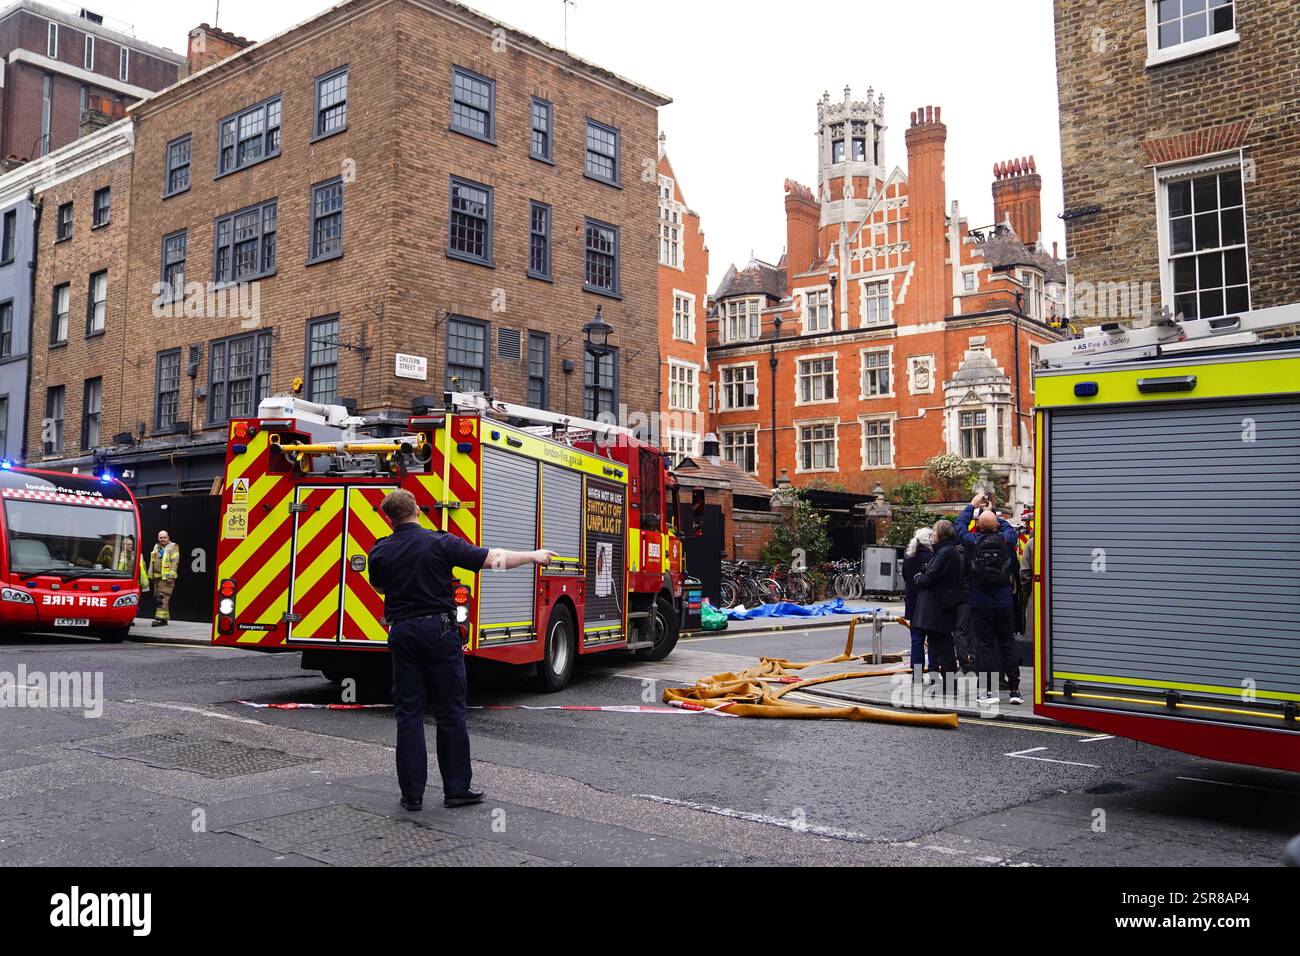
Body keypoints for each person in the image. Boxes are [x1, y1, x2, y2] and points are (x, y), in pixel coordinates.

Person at [368, 489, 556, 812]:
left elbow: (380, 587)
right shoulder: (441, 543)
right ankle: (456, 789)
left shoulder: (380, 551)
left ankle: (412, 794)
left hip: (402, 632)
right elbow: (491, 560)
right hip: (439, 633)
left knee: (408, 715)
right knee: (450, 710)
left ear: (389, 517)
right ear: (415, 509)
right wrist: (532, 555)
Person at [957, 494, 1022, 705]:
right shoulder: (1006, 540)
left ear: (978, 526)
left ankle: (987, 692)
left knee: (984, 647)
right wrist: (993, 512)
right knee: (1007, 645)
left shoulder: (972, 542)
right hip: (1004, 602)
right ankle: (1014, 691)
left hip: (980, 602)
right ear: (996, 525)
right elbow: (1009, 528)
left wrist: (972, 507)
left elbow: (959, 526)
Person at [910, 519, 964, 680]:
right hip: (938, 605)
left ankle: (949, 683)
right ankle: (945, 681)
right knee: (938, 643)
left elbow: (929, 577)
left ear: (942, 534)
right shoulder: (944, 550)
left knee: (943, 645)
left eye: (934, 531)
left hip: (938, 606)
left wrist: (919, 578)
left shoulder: (945, 552)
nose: (932, 534)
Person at [901, 527, 935, 678]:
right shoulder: (933, 557)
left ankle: (917, 673)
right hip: (929, 603)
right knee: (933, 639)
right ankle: (934, 670)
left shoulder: (909, 557)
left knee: (916, 640)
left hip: (913, 603)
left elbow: (905, 577)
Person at [148, 531, 180, 627]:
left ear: (168, 537)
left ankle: (160, 619)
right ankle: (164, 618)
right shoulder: (156, 547)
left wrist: (171, 576)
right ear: (158, 538)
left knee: (162, 597)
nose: (162, 539)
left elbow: (175, 562)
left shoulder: (173, 547)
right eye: (160, 537)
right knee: (159, 598)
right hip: (157, 577)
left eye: (164, 537)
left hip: (166, 578)